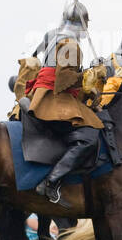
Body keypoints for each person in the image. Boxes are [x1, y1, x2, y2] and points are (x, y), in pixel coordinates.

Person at [22, 31, 106, 205]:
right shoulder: (70, 44)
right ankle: (50, 182)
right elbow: (63, 80)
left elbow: (67, 82)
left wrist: (91, 86)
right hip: (54, 101)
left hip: (53, 97)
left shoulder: (59, 42)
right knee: (89, 138)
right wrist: (88, 75)